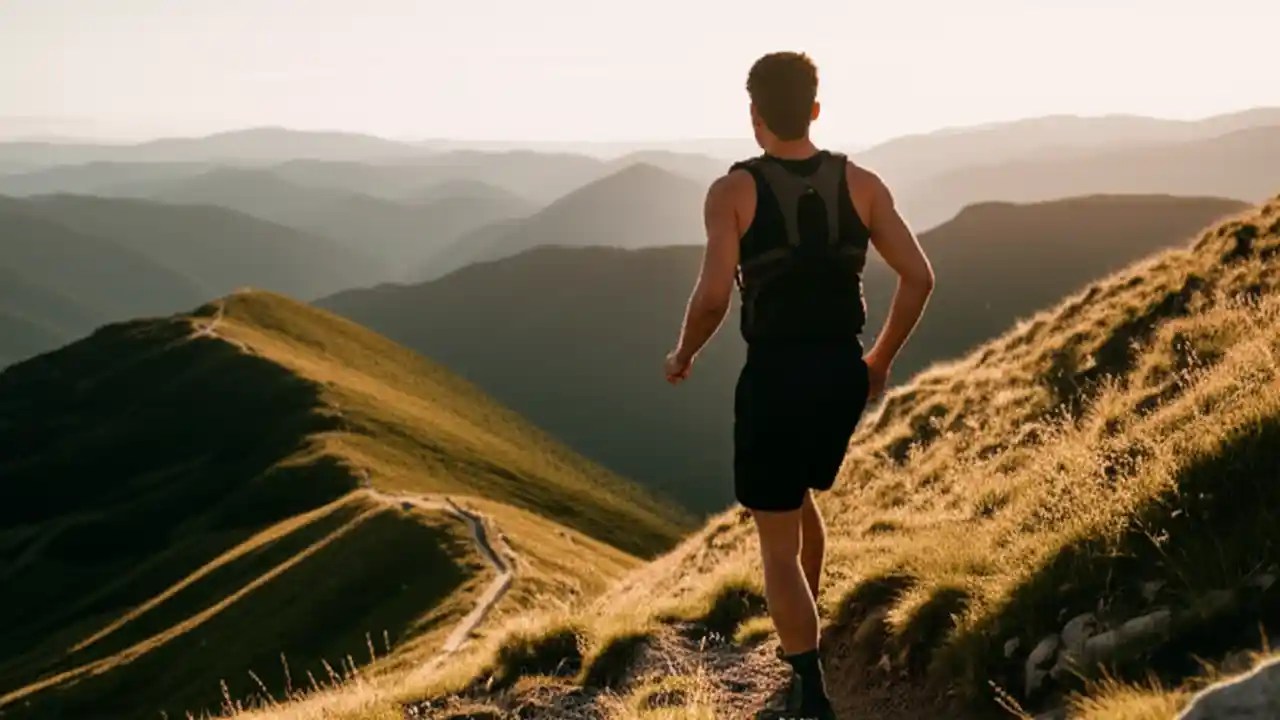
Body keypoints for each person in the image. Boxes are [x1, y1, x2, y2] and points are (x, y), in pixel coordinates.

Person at [664, 51, 934, 719]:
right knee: (798, 499)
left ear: (754, 117)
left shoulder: (733, 192)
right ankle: (806, 636)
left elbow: (711, 299)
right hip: (842, 376)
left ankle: (808, 690)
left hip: (776, 382)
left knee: (775, 545)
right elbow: (919, 276)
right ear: (814, 109)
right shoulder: (864, 184)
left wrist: (683, 354)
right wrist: (879, 362)